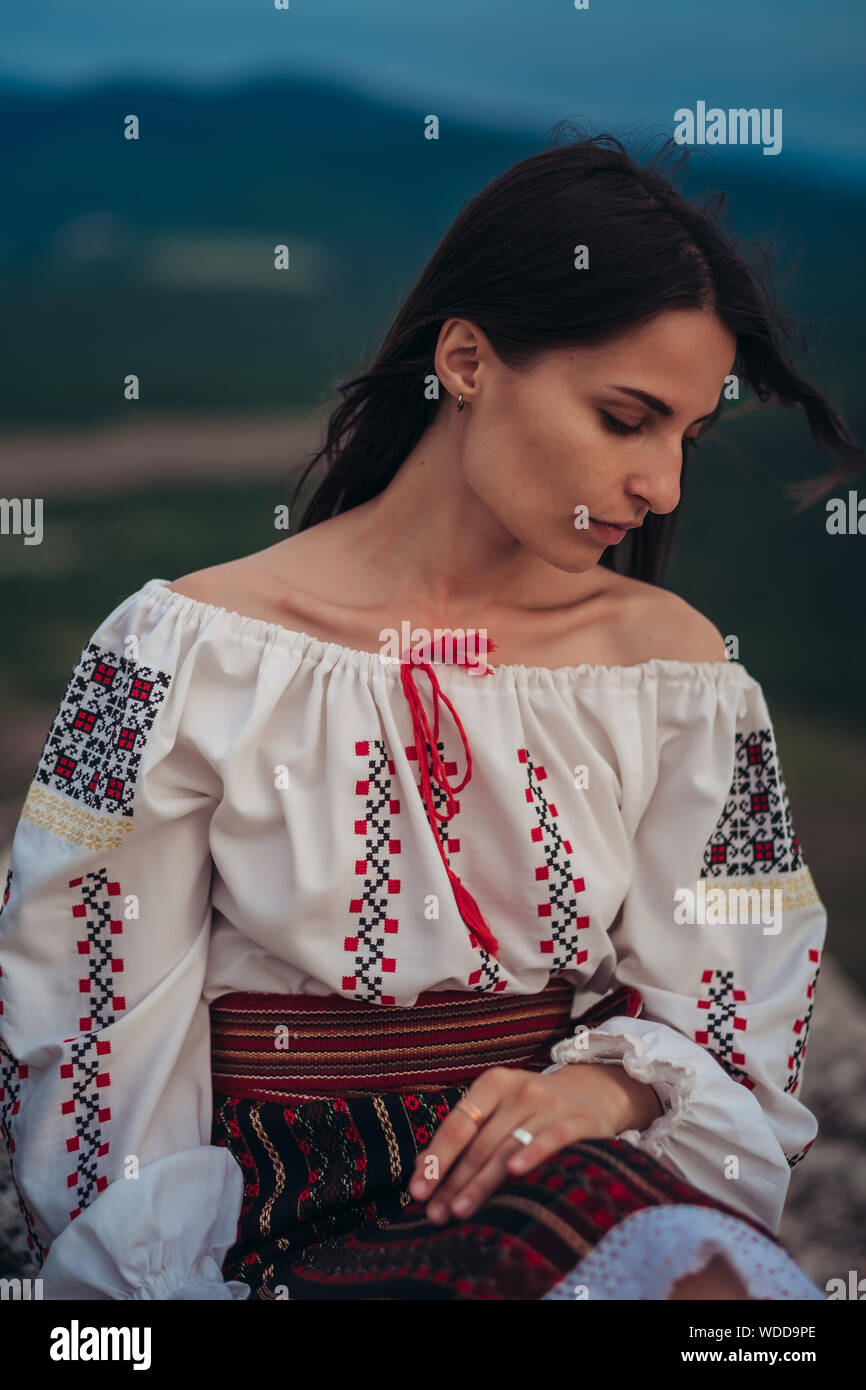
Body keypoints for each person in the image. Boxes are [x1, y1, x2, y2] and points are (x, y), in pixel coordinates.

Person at [1, 130, 862, 1302]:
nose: (661, 485)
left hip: (563, 1169)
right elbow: (88, 1032)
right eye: (625, 418)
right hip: (268, 1212)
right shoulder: (166, 654)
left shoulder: (680, 677)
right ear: (464, 359)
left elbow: (735, 1009)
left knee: (700, 1278)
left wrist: (596, 1091)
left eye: (687, 437)